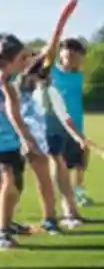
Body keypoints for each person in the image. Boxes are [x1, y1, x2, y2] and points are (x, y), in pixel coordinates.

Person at [12, 0, 79, 235]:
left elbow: (51, 45)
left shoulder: (37, 73)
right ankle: (3, 223)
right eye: (27, 55)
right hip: (17, 134)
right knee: (11, 182)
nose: (33, 57)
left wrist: (63, 18)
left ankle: (50, 219)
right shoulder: (18, 77)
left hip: (35, 134)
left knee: (42, 178)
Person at [0, 34, 41, 251]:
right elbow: (13, 113)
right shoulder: (5, 83)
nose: (25, 61)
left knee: (4, 186)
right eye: (22, 58)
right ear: (9, 60)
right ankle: (2, 233)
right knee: (10, 185)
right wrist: (27, 138)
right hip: (4, 143)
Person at [48, 37, 92, 211]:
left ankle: (78, 191)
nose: (72, 58)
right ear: (61, 54)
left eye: (76, 55)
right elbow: (48, 54)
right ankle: (61, 194)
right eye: (68, 54)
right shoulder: (52, 72)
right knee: (59, 162)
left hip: (77, 126)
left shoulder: (78, 75)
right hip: (57, 126)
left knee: (82, 158)